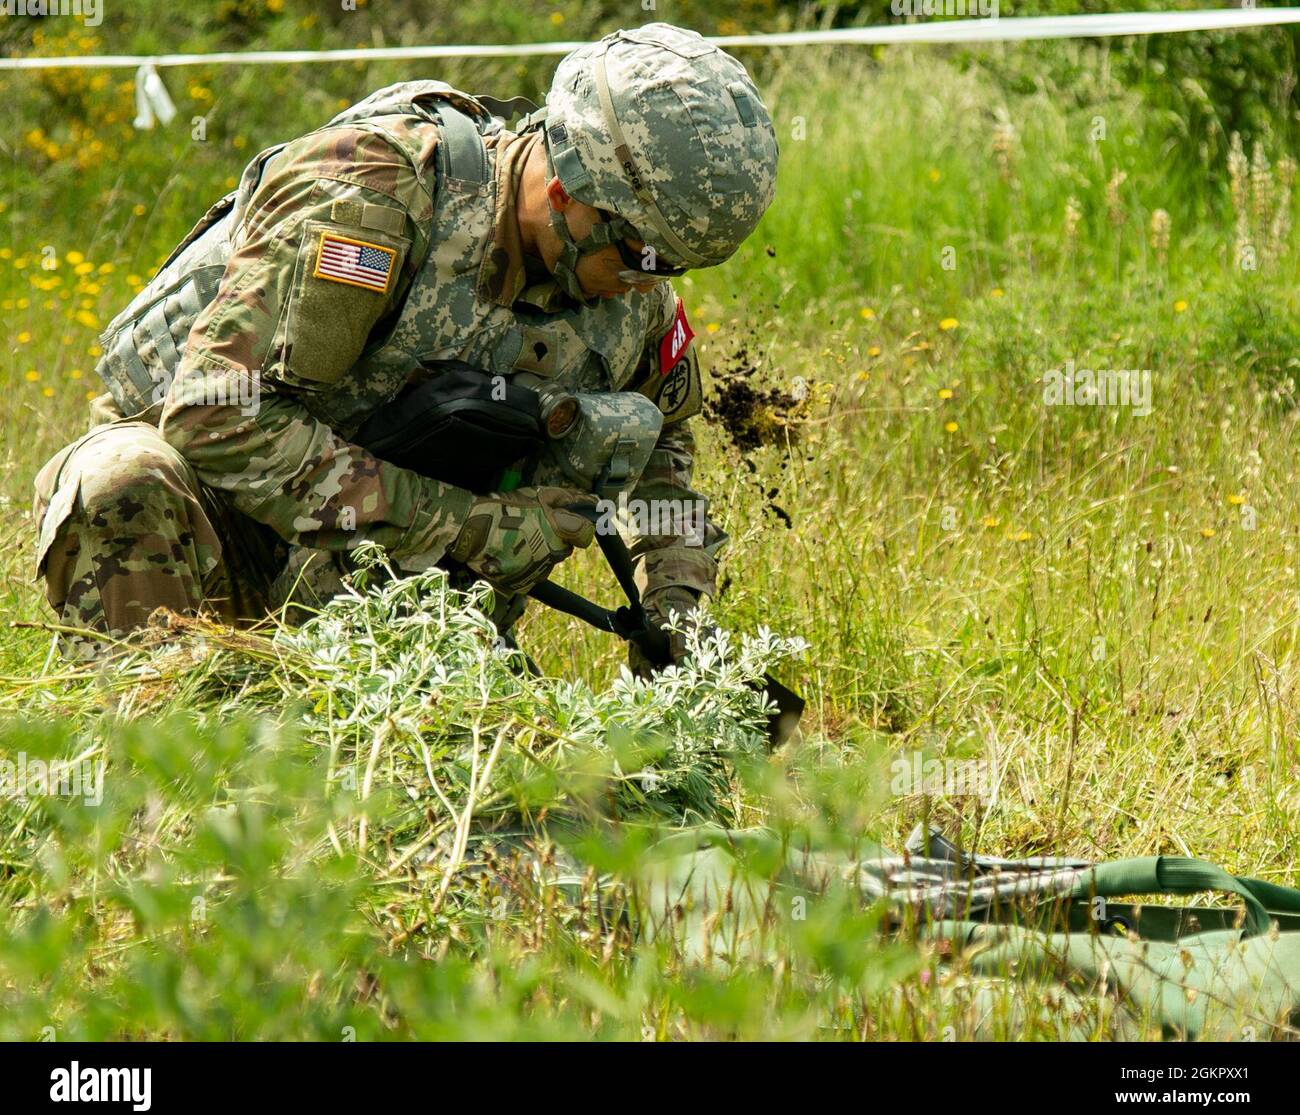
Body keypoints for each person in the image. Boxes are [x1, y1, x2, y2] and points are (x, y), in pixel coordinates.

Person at [31, 23, 779, 671]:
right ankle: (150, 795)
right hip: (221, 535)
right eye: (637, 254)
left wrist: (679, 611)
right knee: (118, 478)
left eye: (672, 266)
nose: (647, 285)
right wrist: (466, 526)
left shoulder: (634, 286)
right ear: (565, 196)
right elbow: (211, 413)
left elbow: (663, 451)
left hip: (398, 589)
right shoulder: (372, 200)